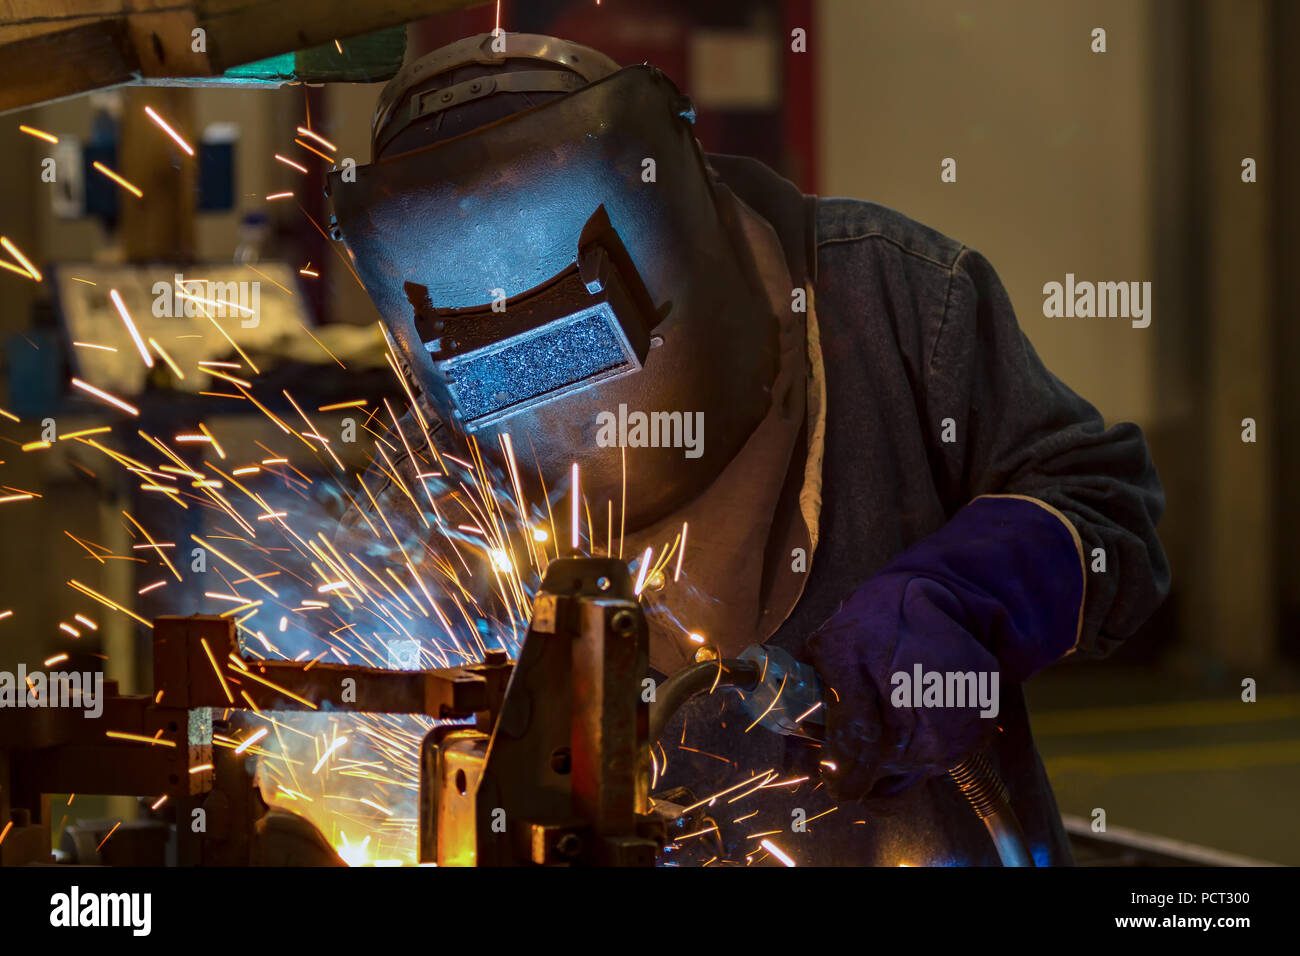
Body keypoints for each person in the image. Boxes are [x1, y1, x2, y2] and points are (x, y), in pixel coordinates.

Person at [327, 32, 1169, 866]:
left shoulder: (893, 299)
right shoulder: (431, 461)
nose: (566, 395)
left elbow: (1109, 515)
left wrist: (962, 597)